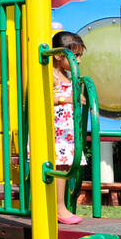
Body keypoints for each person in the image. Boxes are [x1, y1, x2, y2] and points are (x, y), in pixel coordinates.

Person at [51, 30, 86, 225]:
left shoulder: (65, 75)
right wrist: (66, 98)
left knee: (65, 167)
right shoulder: (51, 75)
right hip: (56, 132)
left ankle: (61, 206)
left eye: (80, 56)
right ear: (58, 55)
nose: (78, 61)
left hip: (67, 132)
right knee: (59, 167)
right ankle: (59, 208)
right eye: (75, 56)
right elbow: (45, 98)